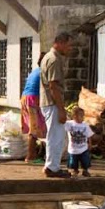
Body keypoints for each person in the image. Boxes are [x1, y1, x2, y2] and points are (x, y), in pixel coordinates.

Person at [39, 32, 74, 178]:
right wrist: (61, 110)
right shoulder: (54, 59)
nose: (70, 48)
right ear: (60, 43)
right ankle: (52, 168)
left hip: (49, 102)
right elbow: (53, 86)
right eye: (69, 45)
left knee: (54, 136)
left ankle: (51, 165)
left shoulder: (49, 57)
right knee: (56, 137)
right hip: (52, 103)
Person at [19, 66, 44, 163]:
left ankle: (33, 154)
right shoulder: (43, 72)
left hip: (25, 98)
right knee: (34, 128)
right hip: (33, 99)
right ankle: (30, 156)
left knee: (33, 127)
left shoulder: (35, 71)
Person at [65, 106, 93, 177]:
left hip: (83, 148)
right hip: (73, 149)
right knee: (73, 161)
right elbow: (62, 123)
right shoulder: (69, 124)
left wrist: (90, 143)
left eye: (82, 116)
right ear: (74, 116)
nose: (82, 117)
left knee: (85, 160)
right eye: (80, 115)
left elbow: (89, 135)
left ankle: (85, 170)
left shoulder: (85, 125)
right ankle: (75, 170)